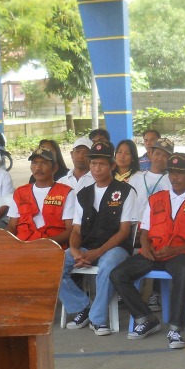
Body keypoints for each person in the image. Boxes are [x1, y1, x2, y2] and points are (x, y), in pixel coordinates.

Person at [111, 153, 185, 350]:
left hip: (183, 254)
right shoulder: (157, 198)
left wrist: (176, 249)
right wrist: (147, 248)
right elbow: (145, 231)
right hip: (155, 252)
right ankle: (146, 318)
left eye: (180, 173)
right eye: (171, 172)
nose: (174, 177)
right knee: (118, 274)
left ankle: (175, 328)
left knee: (183, 272)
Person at [59, 141, 140, 335]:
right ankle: (82, 307)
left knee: (108, 264)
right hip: (87, 248)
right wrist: (76, 250)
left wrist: (98, 253)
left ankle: (98, 318)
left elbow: (124, 232)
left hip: (115, 248)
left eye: (102, 164)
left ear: (112, 165)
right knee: (55, 264)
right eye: (93, 163)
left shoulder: (126, 192)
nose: (96, 168)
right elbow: (76, 230)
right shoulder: (83, 194)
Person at [8, 147, 75, 247]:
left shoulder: (66, 192)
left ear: (55, 168)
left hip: (53, 248)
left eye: (44, 163)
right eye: (34, 163)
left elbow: (71, 230)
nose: (38, 167)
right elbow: (12, 226)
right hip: (22, 246)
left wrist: (44, 244)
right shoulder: (20, 192)